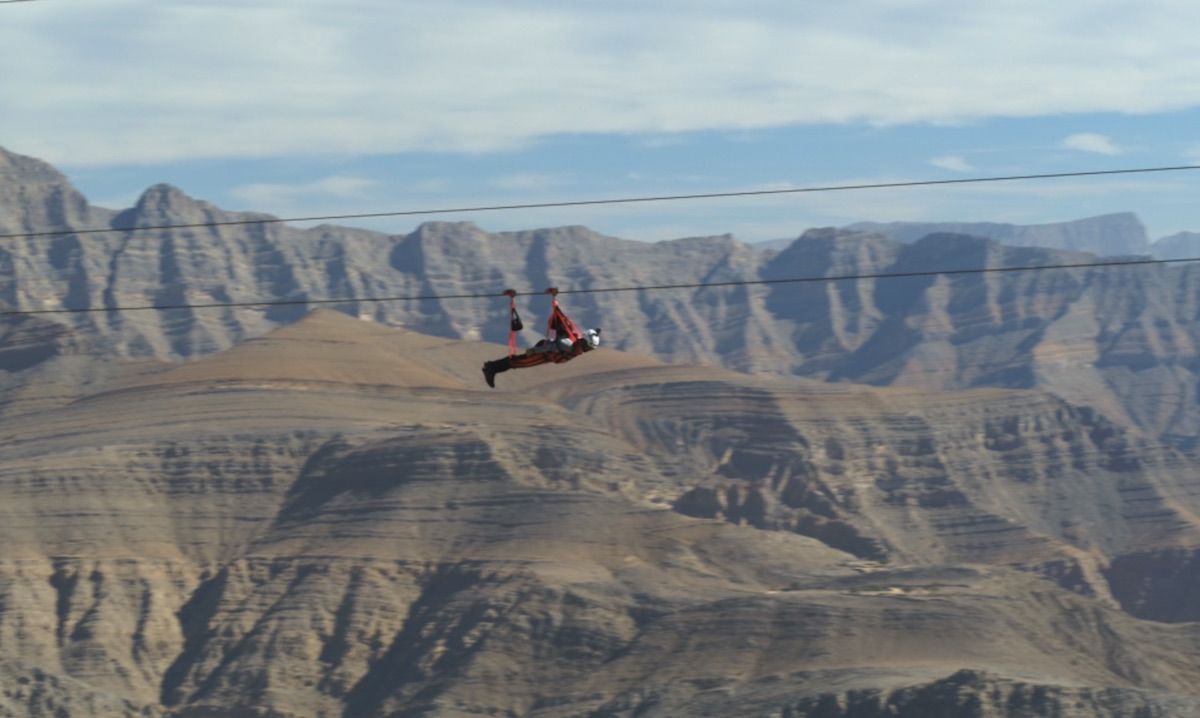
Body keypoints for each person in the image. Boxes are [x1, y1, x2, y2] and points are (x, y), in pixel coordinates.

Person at [482, 328, 600, 387]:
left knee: (517, 362)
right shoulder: (569, 346)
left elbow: (592, 332)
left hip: (546, 355)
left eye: (589, 349)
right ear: (583, 342)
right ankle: (490, 368)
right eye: (586, 347)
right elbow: (550, 346)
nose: (585, 351)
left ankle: (491, 367)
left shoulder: (575, 346)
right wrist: (534, 351)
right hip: (542, 353)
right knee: (516, 362)